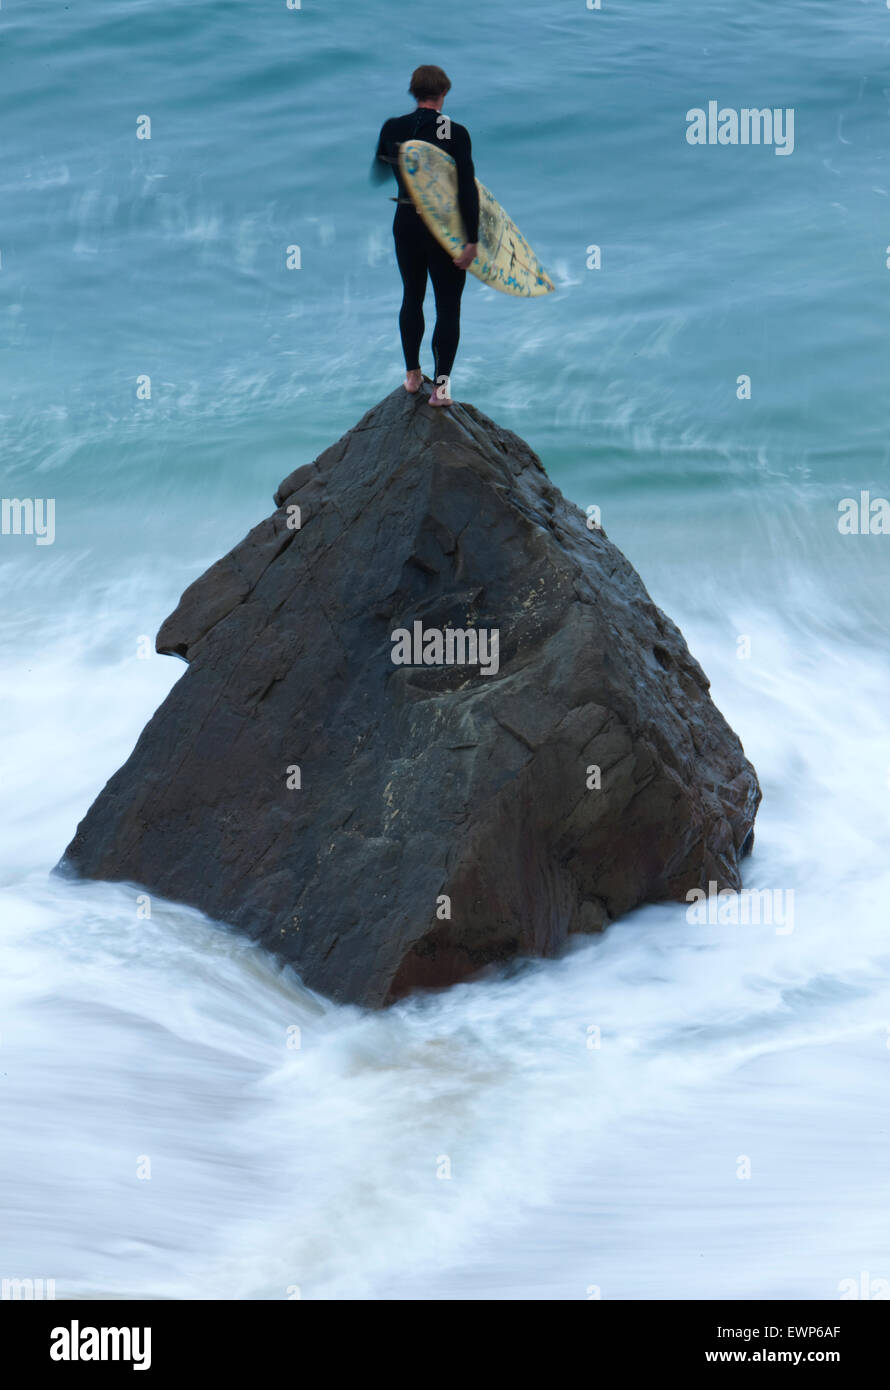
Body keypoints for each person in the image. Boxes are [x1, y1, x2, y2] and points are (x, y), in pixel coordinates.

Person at [373, 65, 479, 407]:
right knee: (448, 307)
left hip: (405, 220)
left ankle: (412, 376)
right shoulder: (455, 131)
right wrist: (472, 239)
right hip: (443, 228)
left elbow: (381, 169)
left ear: (414, 92)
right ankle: (441, 390)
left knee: (412, 296)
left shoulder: (393, 127)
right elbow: (466, 191)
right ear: (443, 93)